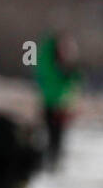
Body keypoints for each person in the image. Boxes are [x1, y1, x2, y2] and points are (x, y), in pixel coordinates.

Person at [34, 32, 82, 170]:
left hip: (58, 106)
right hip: (54, 105)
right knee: (54, 139)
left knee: (55, 138)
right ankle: (52, 165)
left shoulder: (50, 62)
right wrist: (72, 77)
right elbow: (57, 85)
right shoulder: (51, 65)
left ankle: (53, 164)